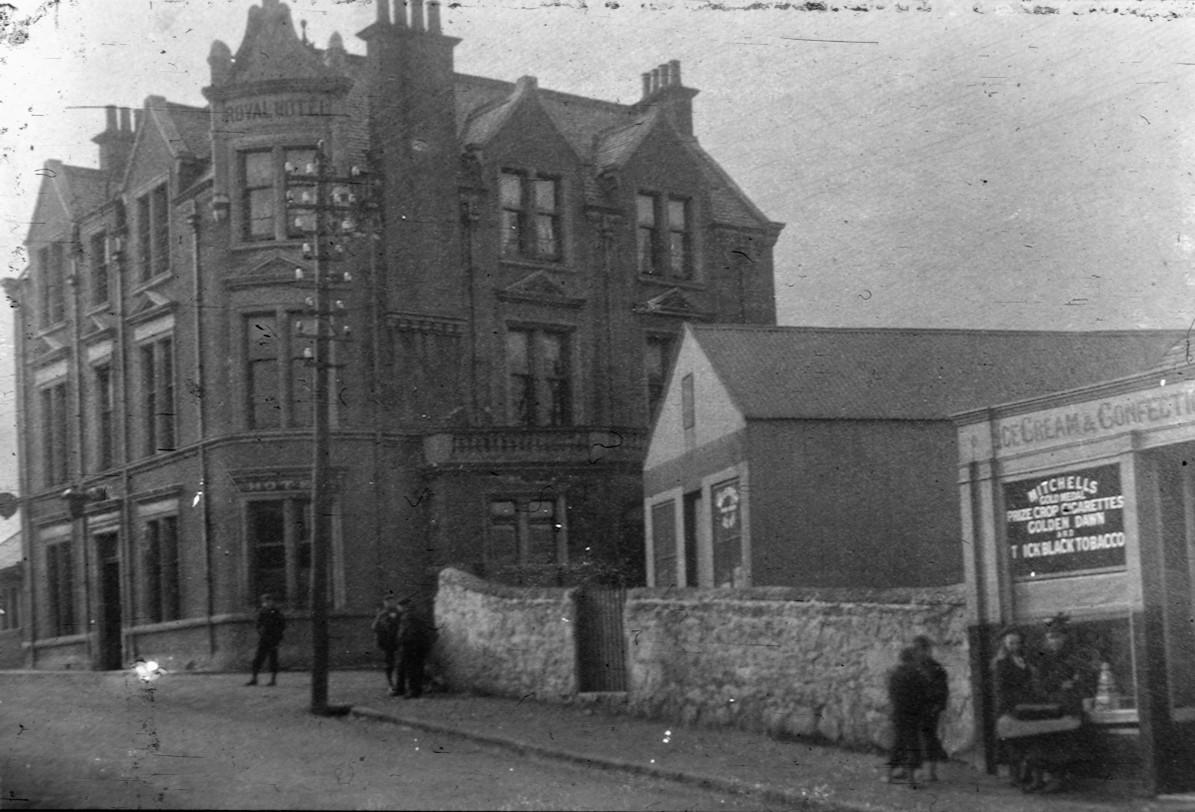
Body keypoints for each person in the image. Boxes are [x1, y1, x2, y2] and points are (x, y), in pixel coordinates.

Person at [1030, 614, 1093, 793]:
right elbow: (1039, 684)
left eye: (1057, 637)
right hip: (1049, 705)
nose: (1054, 641)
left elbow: (1082, 680)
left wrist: (1073, 683)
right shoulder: (1043, 659)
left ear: (1064, 638)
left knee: (1062, 741)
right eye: (1051, 637)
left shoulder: (1073, 657)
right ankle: (1042, 777)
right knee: (1044, 739)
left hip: (1068, 705)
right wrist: (1058, 684)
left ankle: (1058, 777)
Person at [991, 625, 1037, 789]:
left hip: (1027, 706)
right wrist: (1012, 705)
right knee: (1013, 742)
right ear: (1005, 644)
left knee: (1028, 740)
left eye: (1018, 643)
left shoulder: (1026, 661)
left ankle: (1028, 774)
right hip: (1011, 707)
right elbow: (1000, 689)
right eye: (1011, 643)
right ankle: (1015, 776)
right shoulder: (1001, 663)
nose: (1015, 646)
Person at [885, 646, 927, 786]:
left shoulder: (895, 675)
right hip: (912, 714)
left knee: (898, 743)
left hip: (898, 712)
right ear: (912, 659)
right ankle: (911, 779)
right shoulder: (916, 675)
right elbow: (922, 695)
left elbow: (891, 694)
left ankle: (889, 775)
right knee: (913, 745)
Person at [912, 635, 949, 781]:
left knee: (930, 738)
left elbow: (943, 690)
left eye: (923, 649)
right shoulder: (913, 666)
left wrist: (939, 707)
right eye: (917, 649)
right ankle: (917, 770)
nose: (920, 652)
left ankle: (931, 771)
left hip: (930, 709)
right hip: (916, 708)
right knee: (917, 738)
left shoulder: (936, 668)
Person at [395, 598, 435, 699]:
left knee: (411, 669)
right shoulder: (417, 614)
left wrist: (402, 642)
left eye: (400, 606)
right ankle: (408, 689)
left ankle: (413, 691)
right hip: (418, 647)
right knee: (414, 668)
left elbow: (408, 633)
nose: (399, 608)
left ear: (404, 606)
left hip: (410, 647)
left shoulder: (408, 616)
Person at [245, 593, 286, 687]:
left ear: (272, 602)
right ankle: (254, 678)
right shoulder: (262, 612)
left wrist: (278, 638)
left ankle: (273, 680)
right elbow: (258, 624)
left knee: (273, 659)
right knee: (258, 658)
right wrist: (260, 631)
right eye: (264, 602)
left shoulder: (277, 613)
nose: (266, 603)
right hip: (264, 638)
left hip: (274, 639)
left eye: (268, 601)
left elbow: (282, 626)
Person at [371, 593, 404, 694]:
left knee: (401, 663)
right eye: (388, 602)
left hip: (400, 641)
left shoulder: (400, 613)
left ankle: (400, 684)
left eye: (392, 601)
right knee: (389, 664)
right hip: (388, 643)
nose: (390, 603)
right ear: (385, 603)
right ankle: (390, 683)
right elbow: (374, 627)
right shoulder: (383, 614)